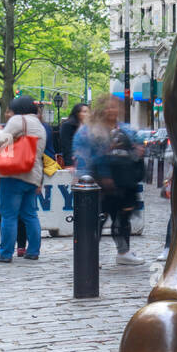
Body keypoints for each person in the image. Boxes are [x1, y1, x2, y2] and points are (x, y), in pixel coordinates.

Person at [74, 97, 143, 265]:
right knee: (96, 219)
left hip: (123, 182)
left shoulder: (125, 129)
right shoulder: (88, 131)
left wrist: (137, 149)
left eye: (115, 107)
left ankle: (123, 251)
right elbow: (83, 157)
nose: (112, 111)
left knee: (123, 217)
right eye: (108, 108)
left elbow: (137, 145)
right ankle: (89, 254)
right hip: (98, 184)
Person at [0, 95, 45, 263]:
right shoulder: (39, 125)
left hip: (14, 173)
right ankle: (33, 251)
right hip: (33, 174)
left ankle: (5, 253)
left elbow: (2, 139)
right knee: (30, 214)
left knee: (8, 215)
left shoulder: (18, 120)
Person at [59, 103, 88, 167]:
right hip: (74, 161)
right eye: (85, 112)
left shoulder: (89, 126)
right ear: (77, 113)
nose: (88, 114)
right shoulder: (67, 125)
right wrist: (69, 164)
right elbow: (66, 146)